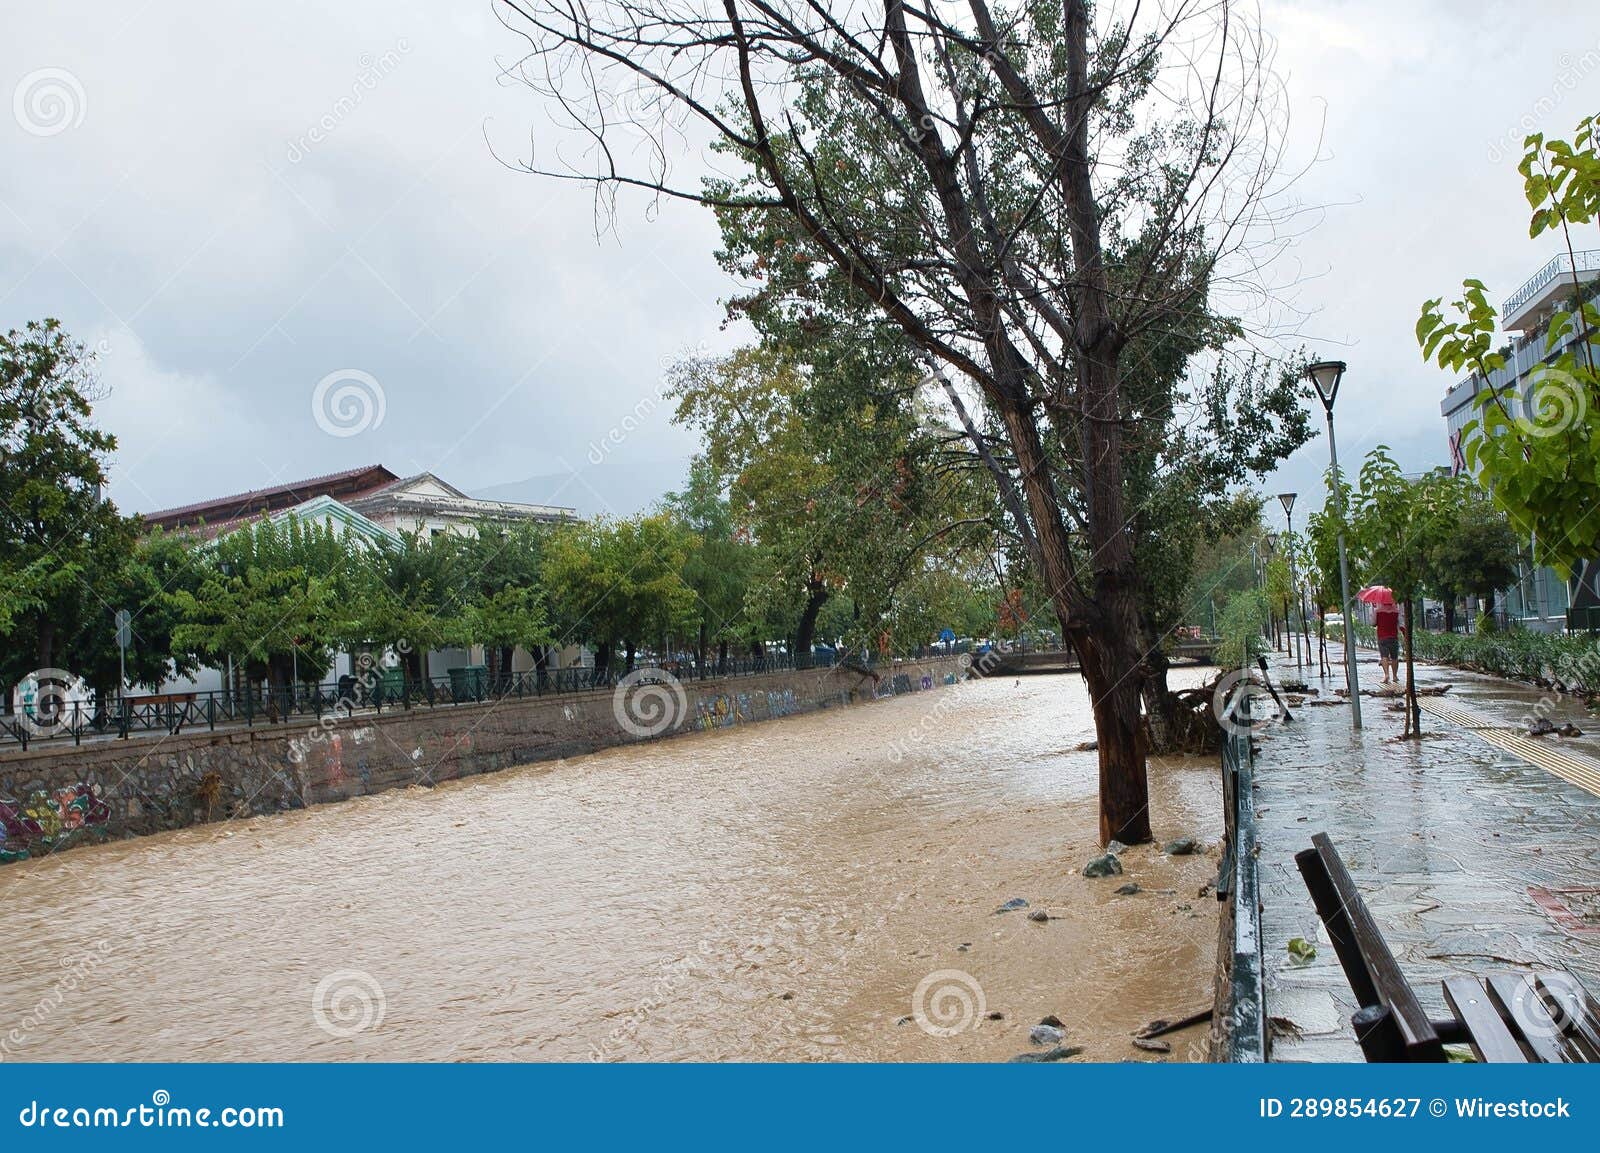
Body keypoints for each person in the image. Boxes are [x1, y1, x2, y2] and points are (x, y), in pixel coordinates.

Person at [1374, 601, 1402, 685]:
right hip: (1393, 636)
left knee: (1384, 656)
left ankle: (1386, 675)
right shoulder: (1396, 611)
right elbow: (1400, 623)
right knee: (1394, 657)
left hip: (1382, 637)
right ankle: (1395, 676)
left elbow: (1373, 623)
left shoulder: (1378, 611)